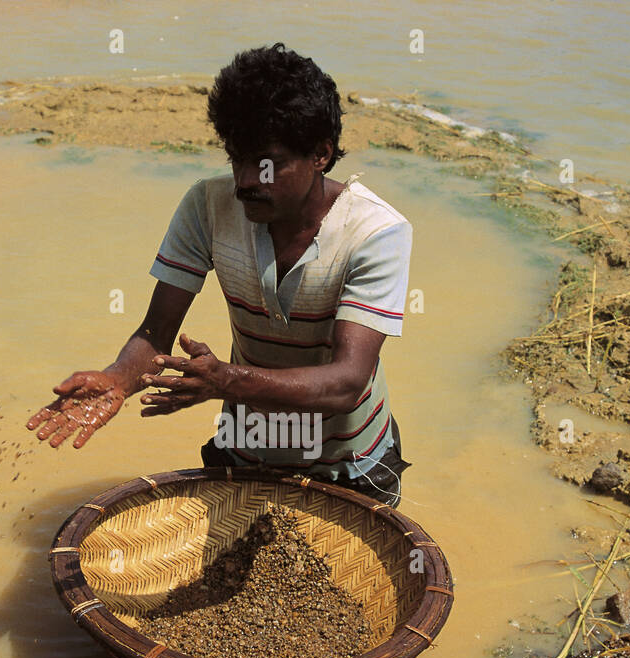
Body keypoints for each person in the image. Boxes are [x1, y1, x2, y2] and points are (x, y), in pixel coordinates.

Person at [26, 42, 413, 507]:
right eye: (237, 157)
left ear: (321, 155)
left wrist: (226, 381)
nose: (246, 180)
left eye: (266, 163)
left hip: (350, 463)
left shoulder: (375, 232)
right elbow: (156, 331)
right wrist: (118, 379)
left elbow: (347, 380)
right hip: (249, 447)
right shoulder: (209, 207)